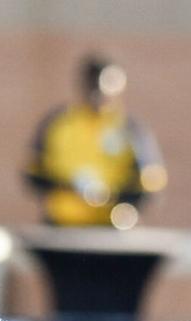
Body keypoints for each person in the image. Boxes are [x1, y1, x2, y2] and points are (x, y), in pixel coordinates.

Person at [24, 54, 166, 229]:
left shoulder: (129, 129)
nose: (99, 91)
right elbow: (33, 172)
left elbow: (150, 180)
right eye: (93, 83)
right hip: (63, 225)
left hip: (111, 228)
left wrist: (117, 200)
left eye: (108, 83)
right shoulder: (58, 124)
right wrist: (67, 188)